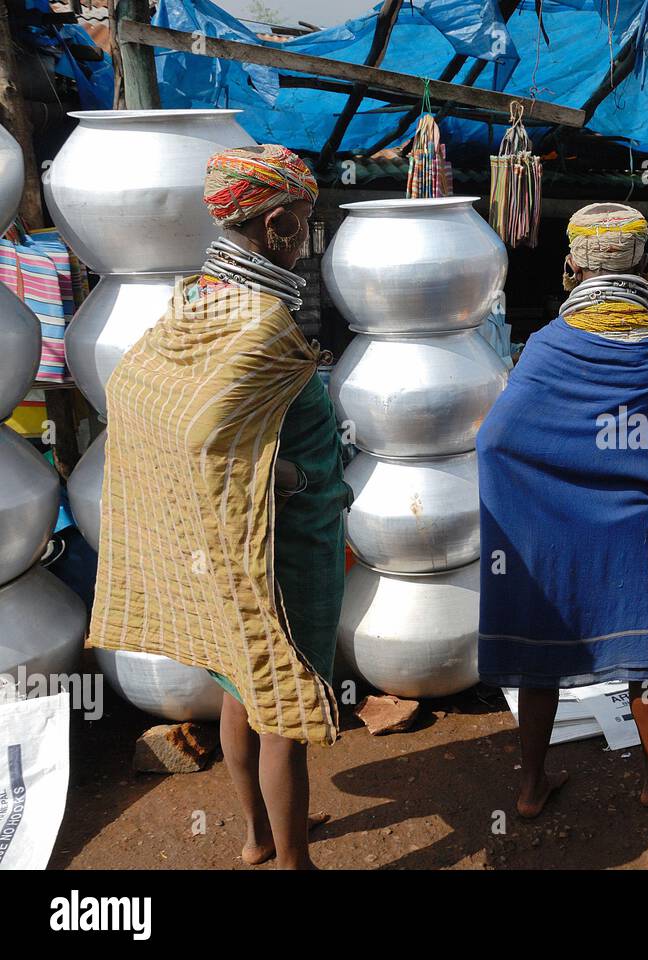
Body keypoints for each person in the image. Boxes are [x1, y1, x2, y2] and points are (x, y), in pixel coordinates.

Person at [88, 145, 349, 869]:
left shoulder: (196, 297)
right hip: (284, 541)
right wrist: (285, 480)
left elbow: (139, 397)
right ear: (274, 227)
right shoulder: (263, 320)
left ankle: (258, 838)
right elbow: (205, 436)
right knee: (285, 709)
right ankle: (293, 862)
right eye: (302, 221)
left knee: (240, 686)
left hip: (224, 542)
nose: (307, 236)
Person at [477, 203, 648, 818]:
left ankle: (529, 786)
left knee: (539, 660)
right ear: (646, 266)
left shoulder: (546, 348)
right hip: (636, 535)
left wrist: (533, 501)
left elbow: (496, 440)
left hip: (551, 535)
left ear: (571, 266)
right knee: (642, 660)